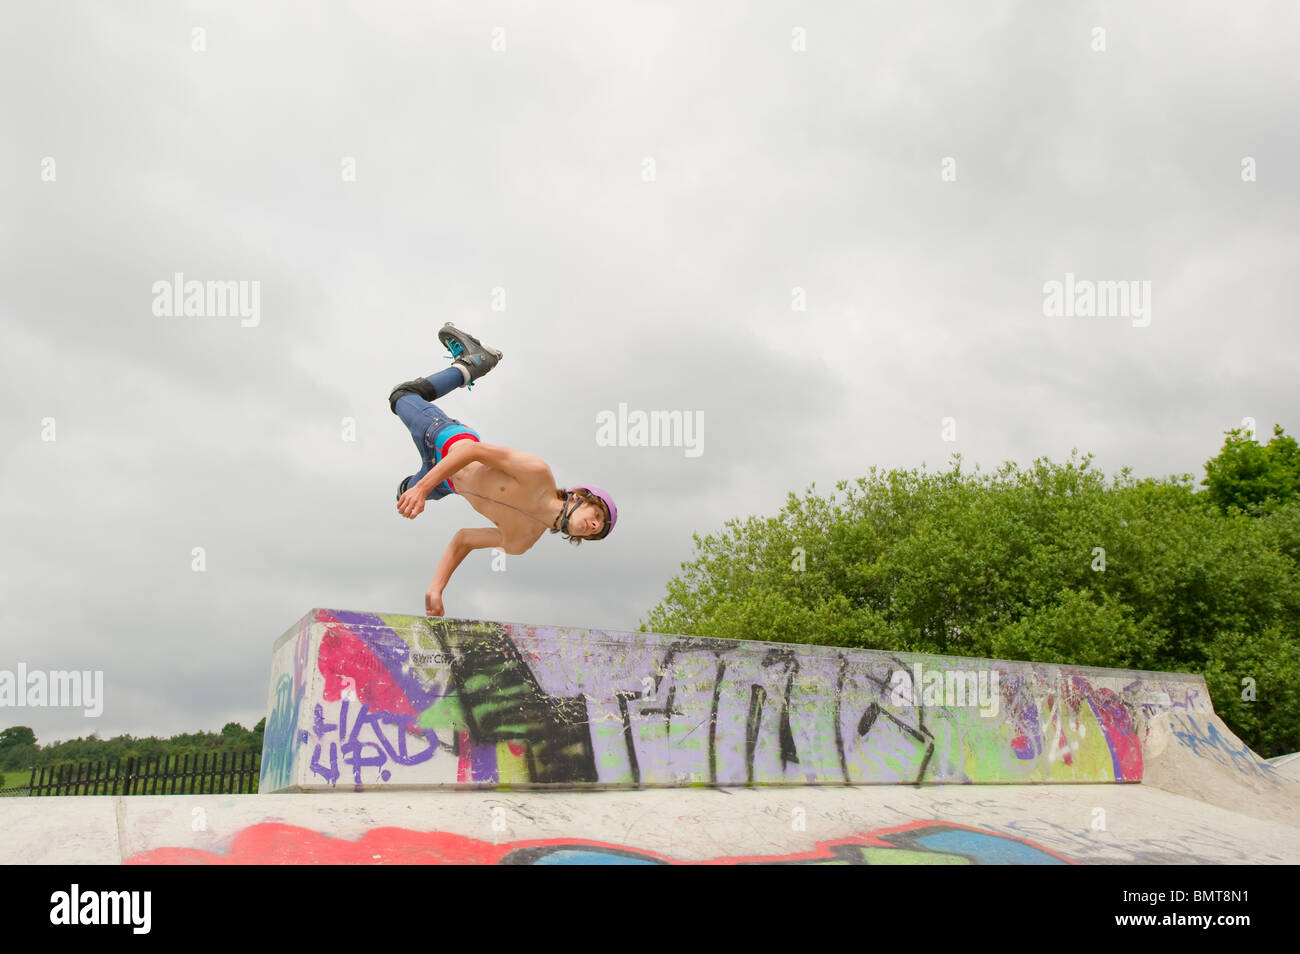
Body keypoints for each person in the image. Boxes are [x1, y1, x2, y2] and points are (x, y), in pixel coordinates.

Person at [389, 323, 617, 617]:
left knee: (402, 493)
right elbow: (473, 451)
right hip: (449, 443)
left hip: (447, 484)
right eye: (596, 514)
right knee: (401, 396)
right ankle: (470, 364)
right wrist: (422, 489)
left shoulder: (520, 542)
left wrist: (436, 587)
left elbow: (464, 540)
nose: (594, 525)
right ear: (579, 498)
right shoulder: (537, 473)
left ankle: (415, 484)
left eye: (597, 530)